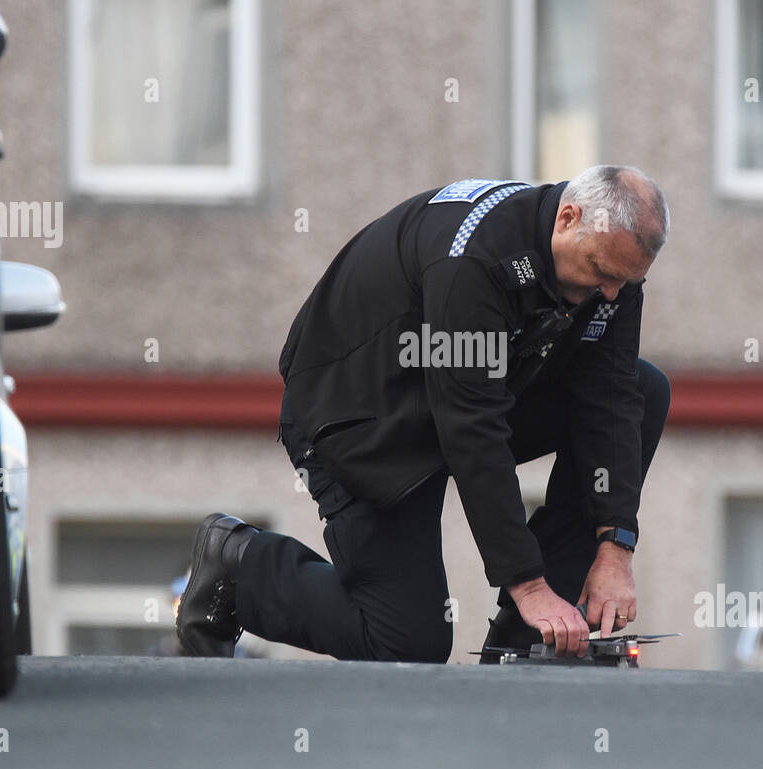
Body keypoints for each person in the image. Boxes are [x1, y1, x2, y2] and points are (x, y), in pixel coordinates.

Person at [176, 164, 672, 663]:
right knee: (408, 644)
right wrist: (526, 583)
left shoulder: (611, 266)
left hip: (461, 396)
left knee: (642, 387)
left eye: (626, 282)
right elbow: (472, 428)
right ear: (567, 218)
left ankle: (531, 635)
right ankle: (240, 567)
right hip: (360, 414)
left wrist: (615, 547)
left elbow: (609, 399)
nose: (610, 294)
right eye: (603, 274)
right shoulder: (475, 261)